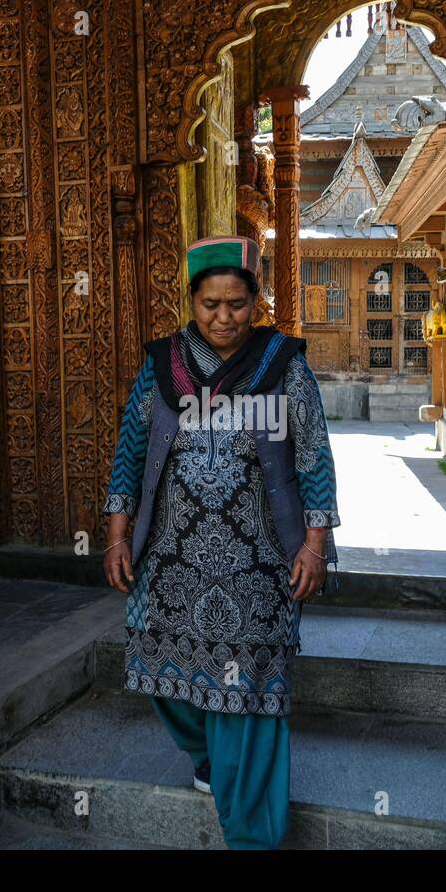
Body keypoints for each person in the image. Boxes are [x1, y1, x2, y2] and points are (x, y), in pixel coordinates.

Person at [102, 235, 340, 849]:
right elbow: (129, 453)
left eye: (237, 303)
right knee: (162, 675)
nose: (224, 317)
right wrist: (117, 535)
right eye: (210, 304)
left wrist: (314, 545)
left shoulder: (281, 364)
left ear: (257, 302)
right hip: (171, 559)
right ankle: (211, 762)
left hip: (260, 563)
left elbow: (313, 454)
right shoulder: (163, 367)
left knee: (250, 697)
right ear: (191, 301)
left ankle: (253, 835)